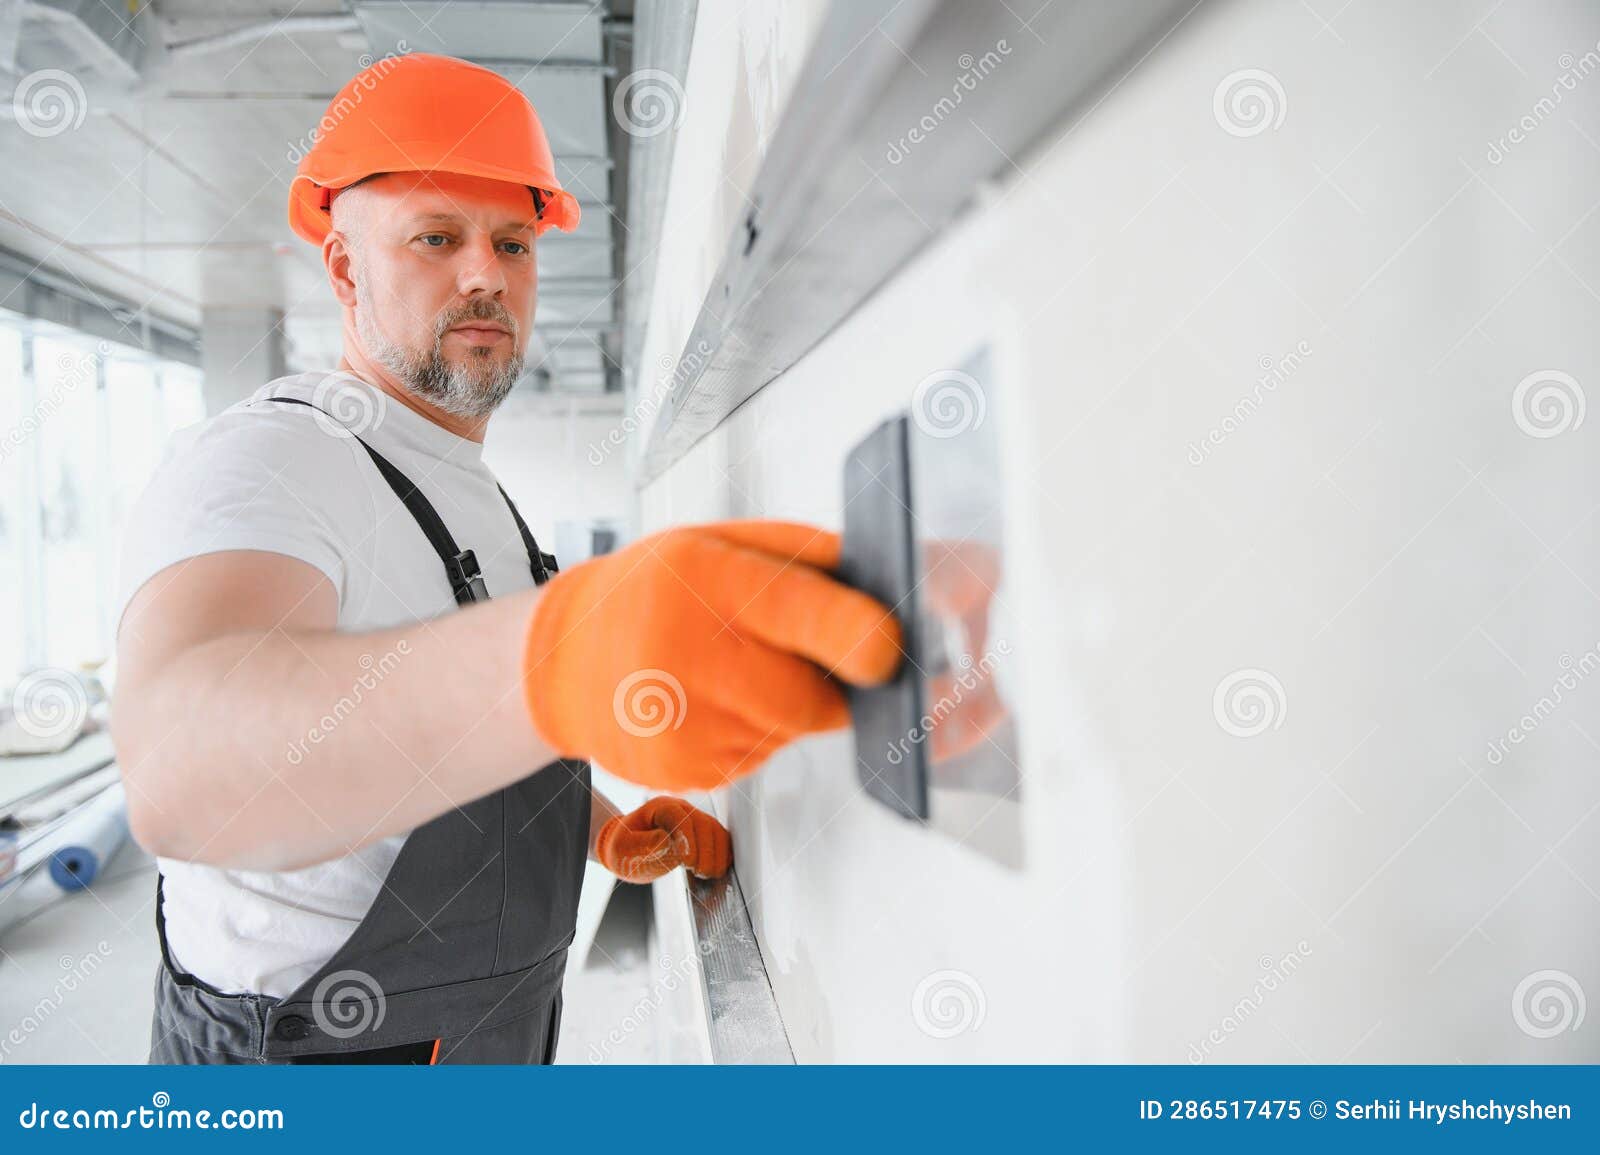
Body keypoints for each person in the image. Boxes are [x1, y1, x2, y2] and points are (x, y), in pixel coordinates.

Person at [111, 53, 901, 1065]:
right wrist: (554, 665)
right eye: (436, 237)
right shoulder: (272, 456)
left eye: (514, 243)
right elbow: (182, 774)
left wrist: (593, 825)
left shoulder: (467, 487)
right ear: (346, 268)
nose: (485, 273)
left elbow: (425, 769)